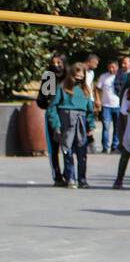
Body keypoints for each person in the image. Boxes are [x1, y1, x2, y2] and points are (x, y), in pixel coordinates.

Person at [49, 61, 96, 188]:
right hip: (66, 121)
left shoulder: (85, 90)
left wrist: (91, 126)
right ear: (71, 75)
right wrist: (56, 125)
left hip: (81, 120)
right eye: (76, 77)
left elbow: (90, 110)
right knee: (67, 150)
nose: (79, 80)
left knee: (82, 152)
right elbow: (52, 108)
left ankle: (82, 179)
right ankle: (71, 178)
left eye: (82, 78)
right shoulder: (62, 88)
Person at [36, 54, 67, 185]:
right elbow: (43, 99)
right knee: (53, 148)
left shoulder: (70, 76)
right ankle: (57, 176)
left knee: (68, 147)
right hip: (53, 115)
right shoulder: (49, 76)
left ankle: (69, 174)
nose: (56, 65)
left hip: (67, 114)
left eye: (59, 63)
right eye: (53, 63)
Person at [96, 59, 122, 153]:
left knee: (117, 127)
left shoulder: (121, 76)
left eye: (113, 67)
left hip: (118, 105)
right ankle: (105, 146)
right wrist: (98, 99)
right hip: (106, 105)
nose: (111, 69)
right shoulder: (103, 77)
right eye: (109, 67)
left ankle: (114, 146)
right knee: (106, 127)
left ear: (117, 67)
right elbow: (98, 89)